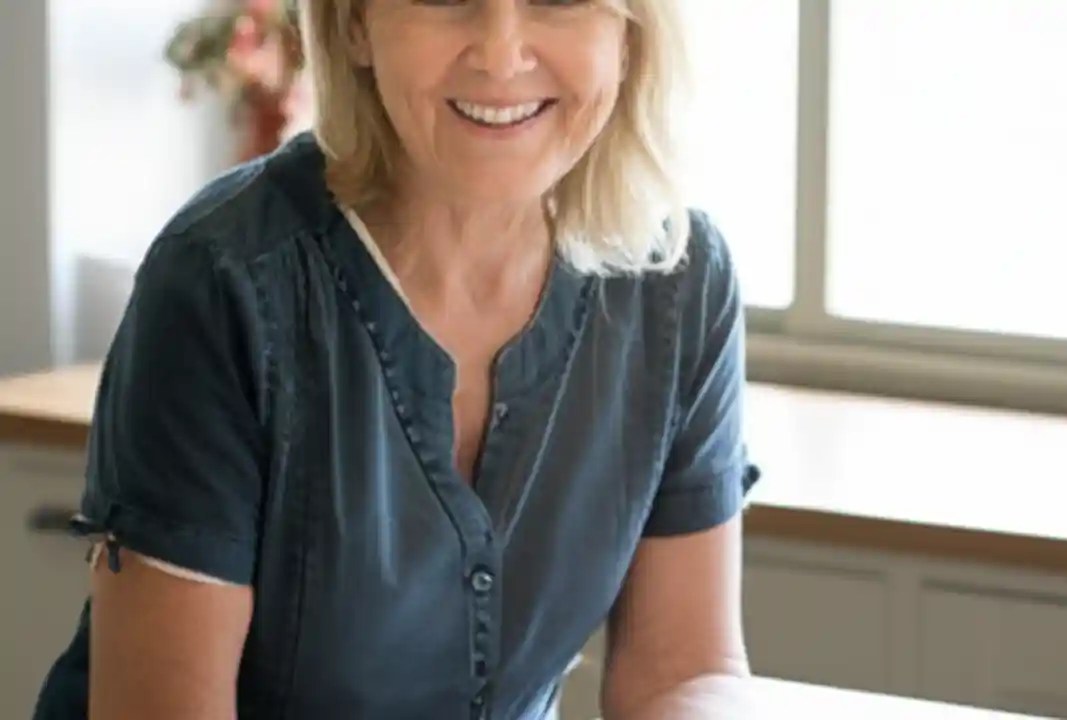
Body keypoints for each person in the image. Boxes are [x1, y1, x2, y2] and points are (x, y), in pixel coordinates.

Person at [33, 1, 760, 718]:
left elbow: (682, 671)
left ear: (630, 31)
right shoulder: (222, 283)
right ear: (354, 25)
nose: (501, 53)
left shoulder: (680, 282)